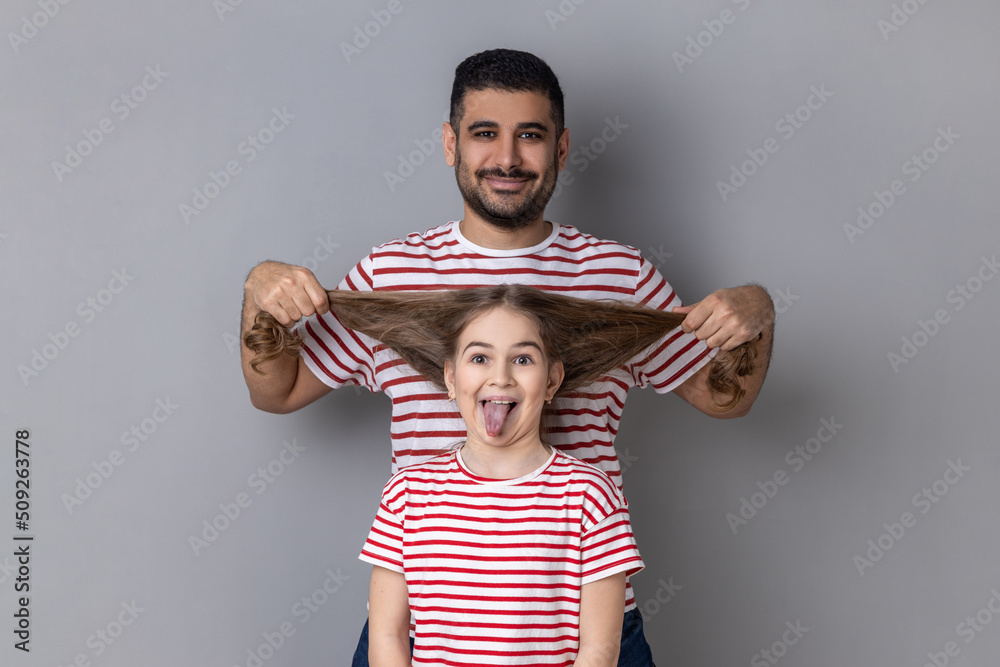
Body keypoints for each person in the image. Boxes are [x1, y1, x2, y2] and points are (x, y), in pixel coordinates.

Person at [240, 48, 774, 662]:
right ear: (450, 143)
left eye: (531, 136)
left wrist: (757, 315)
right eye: (484, 134)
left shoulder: (620, 276)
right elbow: (275, 392)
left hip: (582, 625)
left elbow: (723, 399)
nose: (508, 158)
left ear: (562, 148)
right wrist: (260, 296)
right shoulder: (389, 276)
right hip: (427, 626)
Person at [245, 285, 757, 665]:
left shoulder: (588, 495)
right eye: (479, 357)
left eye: (523, 359)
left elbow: (599, 650)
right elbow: (387, 638)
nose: (501, 376)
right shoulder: (408, 494)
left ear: (553, 380)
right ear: (449, 377)